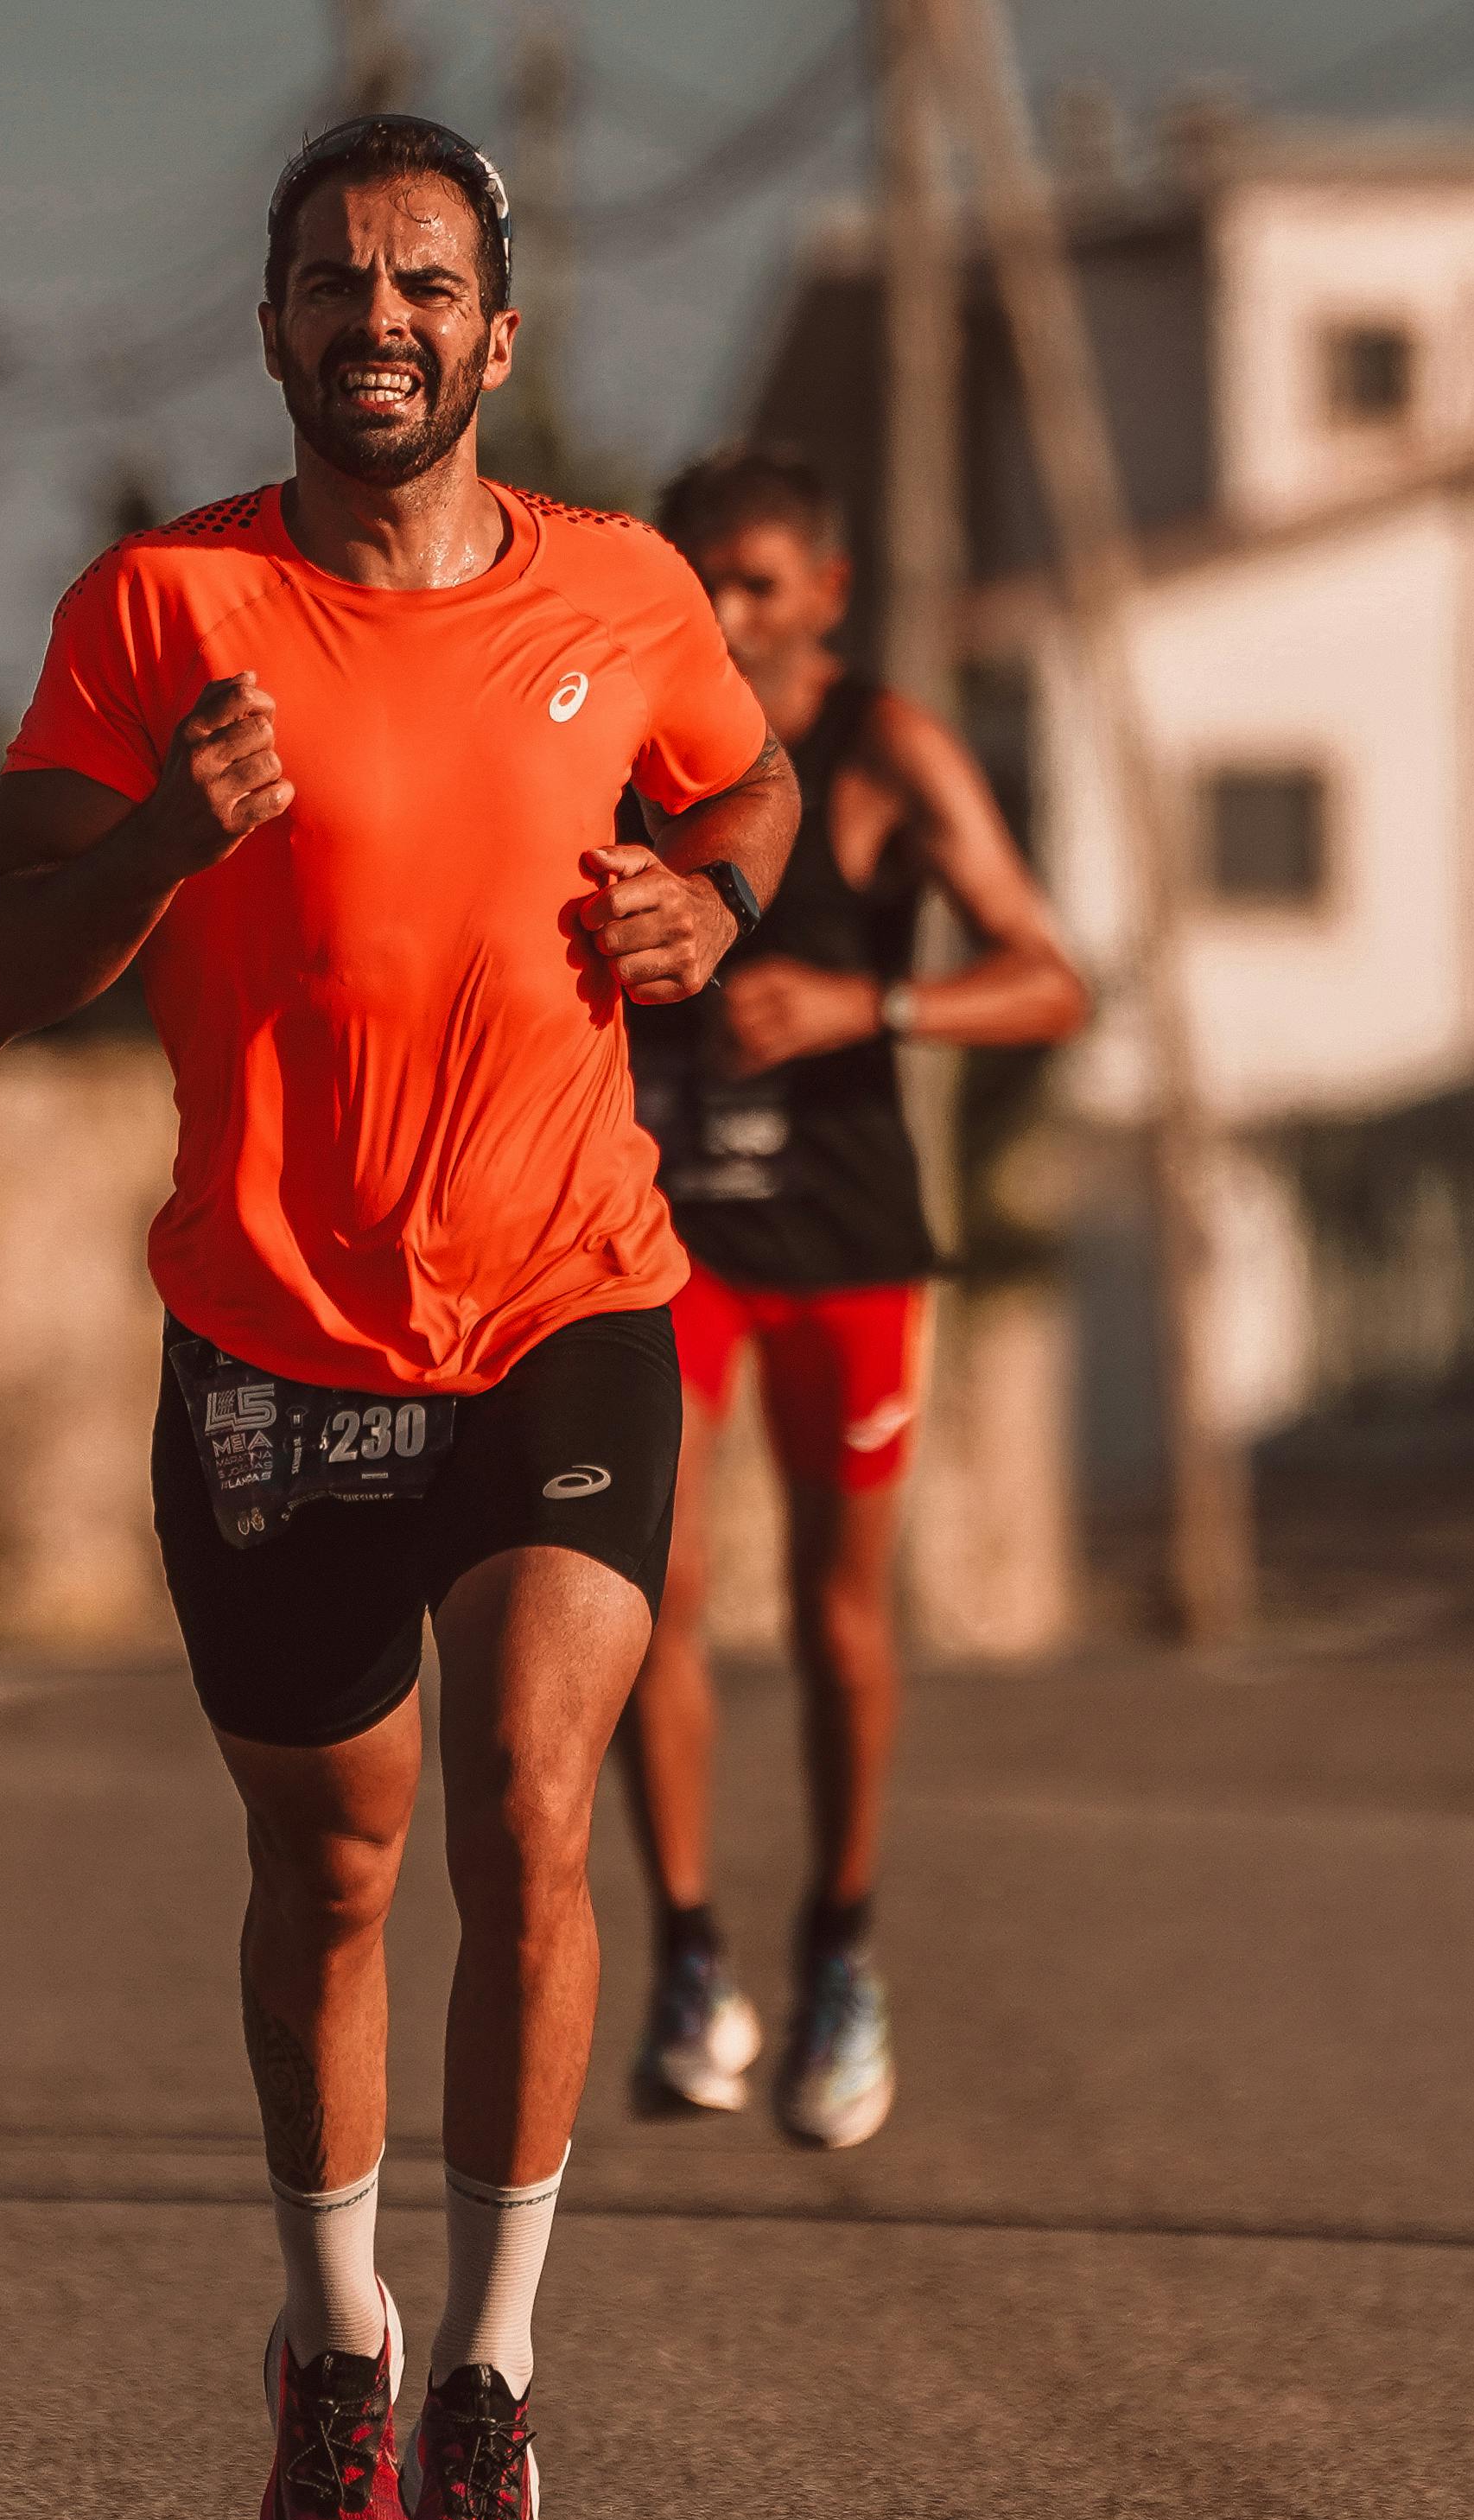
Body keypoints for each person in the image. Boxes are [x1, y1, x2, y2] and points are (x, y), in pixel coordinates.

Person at [0, 117, 795, 2520]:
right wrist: (154, 850)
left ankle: (494, 2392)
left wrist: (712, 898)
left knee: (537, 1808)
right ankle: (336, 2345)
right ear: (277, 326)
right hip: (278, 1334)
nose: (381, 319)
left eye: (426, 282)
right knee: (330, 1869)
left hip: (567, 1298)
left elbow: (746, 774)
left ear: (497, 335)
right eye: (337, 281)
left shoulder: (623, 593)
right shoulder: (159, 608)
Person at [615, 449, 1089, 2148]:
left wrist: (860, 1008)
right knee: (645, 1596)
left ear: (823, 591)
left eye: (753, 582)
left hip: (843, 1239)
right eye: (697, 579)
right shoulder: (621, 743)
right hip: (656, 1235)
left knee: (836, 1619)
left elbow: (1049, 982)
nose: (722, 614)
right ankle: (684, 1953)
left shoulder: (885, 751)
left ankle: (839, 1951)